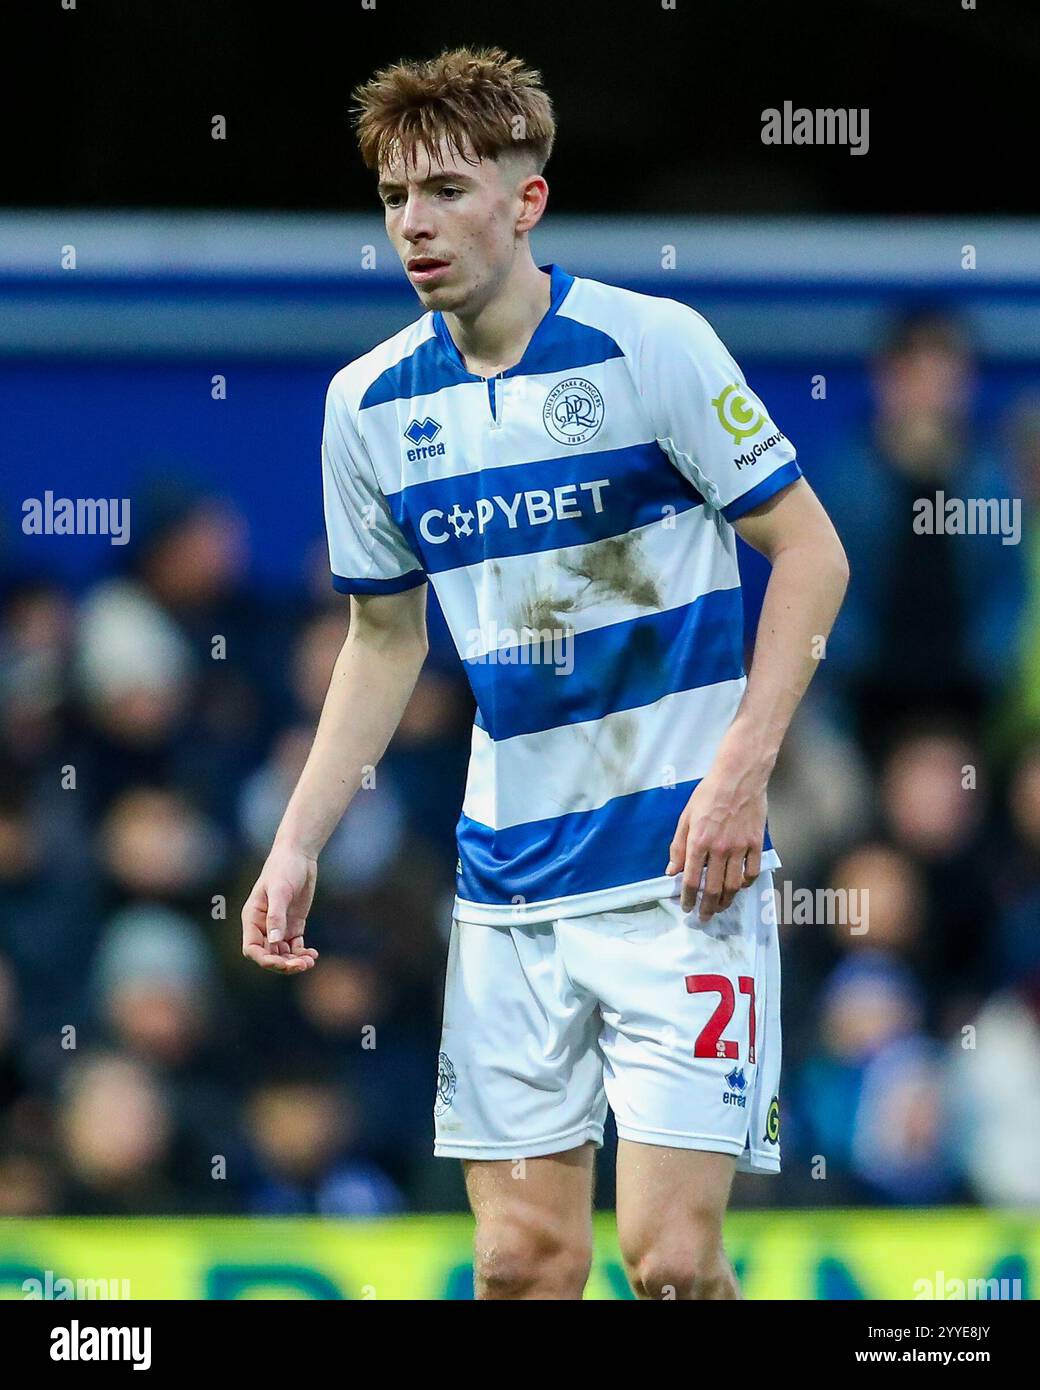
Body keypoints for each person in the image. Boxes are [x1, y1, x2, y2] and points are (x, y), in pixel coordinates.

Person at [240, 45, 848, 1300]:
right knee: (520, 1263)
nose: (414, 222)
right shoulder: (366, 407)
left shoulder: (650, 345)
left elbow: (811, 556)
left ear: (525, 203)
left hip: (681, 874)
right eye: (394, 198)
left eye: (447, 190)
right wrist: (295, 842)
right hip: (507, 889)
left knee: (672, 1264)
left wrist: (740, 772)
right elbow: (382, 639)